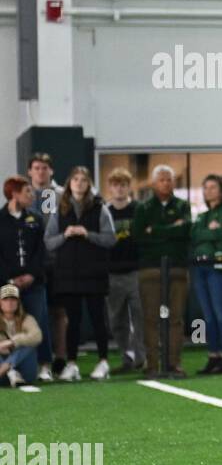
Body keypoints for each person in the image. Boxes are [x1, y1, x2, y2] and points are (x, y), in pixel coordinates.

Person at [44, 167, 116, 381]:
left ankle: (103, 361)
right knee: (72, 321)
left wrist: (88, 234)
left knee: (97, 319)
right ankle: (72, 363)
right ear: (69, 183)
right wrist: (65, 235)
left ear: (89, 184)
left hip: (94, 273)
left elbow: (110, 239)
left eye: (84, 180)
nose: (79, 183)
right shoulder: (60, 209)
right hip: (68, 274)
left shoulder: (100, 208)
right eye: (75, 179)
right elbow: (48, 241)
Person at [133, 165, 193, 378]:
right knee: (151, 318)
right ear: (153, 183)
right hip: (150, 270)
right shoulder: (143, 208)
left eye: (169, 179)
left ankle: (173, 363)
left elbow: (186, 231)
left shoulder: (183, 206)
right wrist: (171, 230)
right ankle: (152, 364)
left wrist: (156, 230)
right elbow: (139, 236)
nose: (166, 183)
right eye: (162, 179)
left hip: (177, 269)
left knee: (175, 318)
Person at [0, 177, 50, 380]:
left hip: (33, 282)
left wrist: (31, 274)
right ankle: (9, 367)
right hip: (7, 284)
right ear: (14, 194)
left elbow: (41, 250)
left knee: (38, 323)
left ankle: (44, 365)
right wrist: (9, 279)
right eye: (27, 191)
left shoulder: (36, 219)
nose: (32, 195)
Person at [191, 173, 222, 375]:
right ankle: (213, 355)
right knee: (208, 315)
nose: (208, 191)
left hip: (219, 267)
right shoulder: (202, 216)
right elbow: (194, 236)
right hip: (200, 267)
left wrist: (207, 234)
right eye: (205, 187)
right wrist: (207, 232)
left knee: (220, 312)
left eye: (213, 187)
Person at [104, 168, 145, 373]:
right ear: (110, 187)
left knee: (140, 316)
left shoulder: (139, 209)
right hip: (112, 273)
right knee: (116, 319)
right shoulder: (105, 211)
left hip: (136, 271)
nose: (119, 189)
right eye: (115, 185)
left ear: (129, 187)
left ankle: (141, 357)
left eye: (123, 185)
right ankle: (127, 355)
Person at [28, 153, 62, 381]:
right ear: (30, 171)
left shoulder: (57, 195)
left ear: (51, 171)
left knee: (59, 311)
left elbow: (51, 225)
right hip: (31, 264)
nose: (41, 172)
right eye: (36, 168)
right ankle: (32, 360)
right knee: (34, 313)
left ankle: (60, 358)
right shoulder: (22, 195)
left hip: (56, 262)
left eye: (44, 168)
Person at [0, 282, 42, 388]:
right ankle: (10, 371)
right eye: (6, 299)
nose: (10, 303)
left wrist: (13, 342)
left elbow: (37, 336)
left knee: (28, 345)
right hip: (3, 377)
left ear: (18, 303)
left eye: (13, 299)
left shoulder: (27, 319)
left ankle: (7, 368)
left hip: (25, 374)